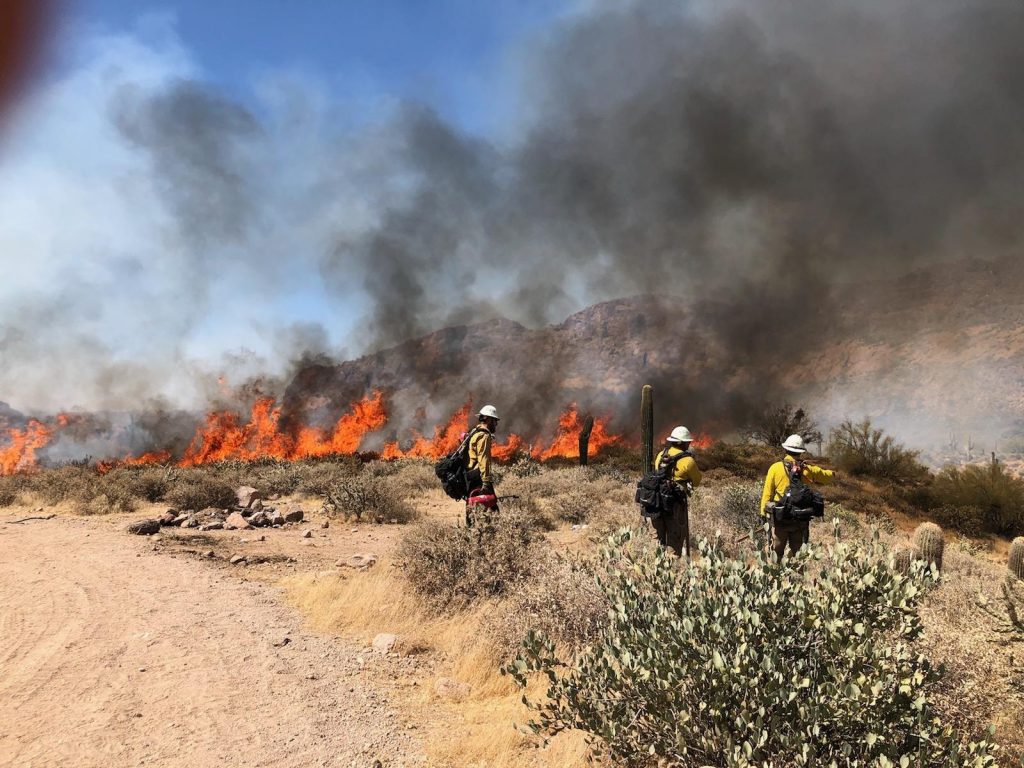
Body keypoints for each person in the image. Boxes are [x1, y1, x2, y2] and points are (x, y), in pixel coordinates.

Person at [760, 434, 835, 561]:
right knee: (799, 556)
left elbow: (767, 494)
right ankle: (797, 578)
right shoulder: (807, 470)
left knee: (776, 555)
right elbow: (826, 476)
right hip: (800, 520)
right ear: (801, 452)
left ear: (785, 449)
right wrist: (833, 474)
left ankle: (775, 578)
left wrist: (763, 514)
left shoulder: (775, 468)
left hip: (780, 519)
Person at [651, 426, 703, 556]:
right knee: (675, 538)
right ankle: (672, 568)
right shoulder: (688, 460)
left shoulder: (661, 455)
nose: (689, 444)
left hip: (656, 503)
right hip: (675, 505)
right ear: (682, 443)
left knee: (659, 539)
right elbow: (697, 481)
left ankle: (658, 566)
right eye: (687, 442)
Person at [465, 404, 499, 525]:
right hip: (478, 476)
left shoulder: (474, 431)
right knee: (493, 509)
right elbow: (483, 459)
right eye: (494, 421)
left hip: (470, 475)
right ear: (488, 419)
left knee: (471, 506)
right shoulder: (483, 435)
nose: (496, 424)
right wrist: (486, 481)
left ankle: (470, 533)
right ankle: (492, 534)